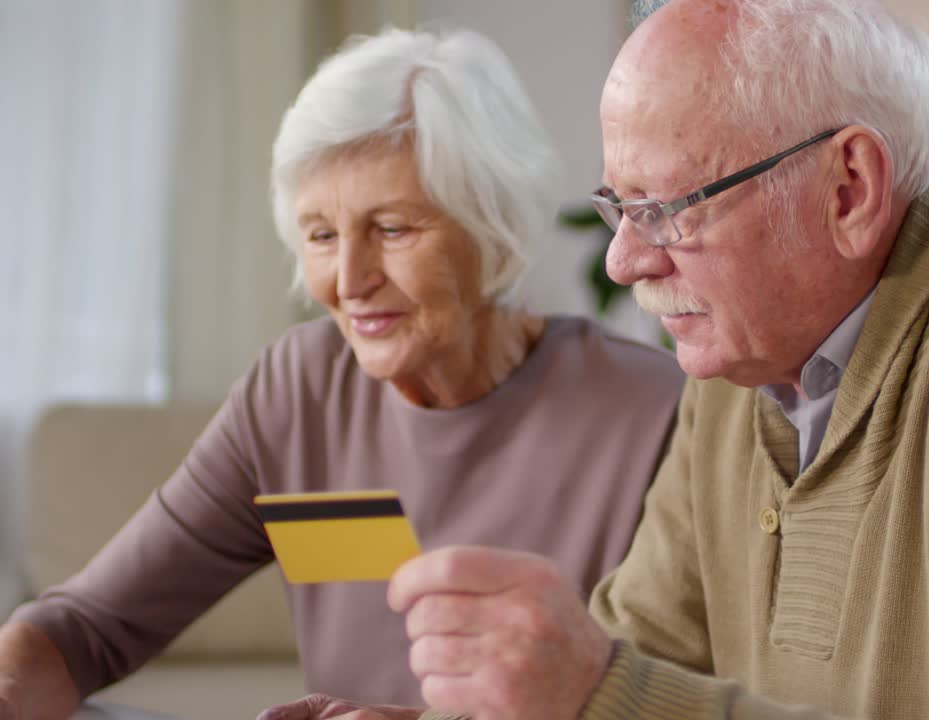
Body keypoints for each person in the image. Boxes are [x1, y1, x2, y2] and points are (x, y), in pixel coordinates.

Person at [337, 1, 929, 719]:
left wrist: (600, 694)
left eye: (668, 207)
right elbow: (645, 649)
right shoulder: (744, 358)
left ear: (848, 189)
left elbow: (618, 691)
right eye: (621, 206)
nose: (624, 259)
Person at [0, 25, 684, 719]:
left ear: (493, 228)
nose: (349, 281)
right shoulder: (297, 393)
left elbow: (668, 701)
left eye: (392, 229)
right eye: (322, 236)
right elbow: (88, 628)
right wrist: (16, 666)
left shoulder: (654, 415)